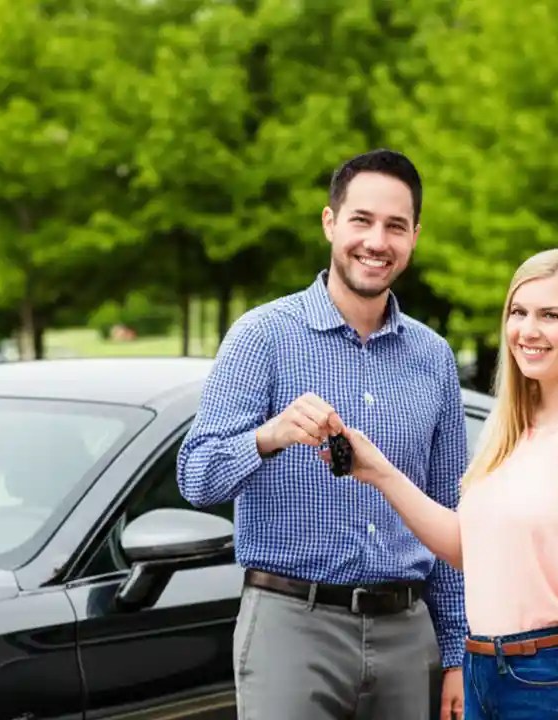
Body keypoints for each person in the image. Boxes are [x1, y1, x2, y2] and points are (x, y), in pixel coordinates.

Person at [176, 149, 469, 720]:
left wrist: (456, 652)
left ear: (414, 237)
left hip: (407, 637)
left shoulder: (434, 359)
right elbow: (195, 476)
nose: (376, 241)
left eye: (395, 226)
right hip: (292, 627)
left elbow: (449, 514)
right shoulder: (261, 337)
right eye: (361, 220)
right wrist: (269, 436)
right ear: (330, 223)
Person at [325, 247, 558, 720]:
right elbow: (468, 548)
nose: (528, 330)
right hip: (485, 673)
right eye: (518, 312)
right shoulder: (508, 433)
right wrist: (377, 471)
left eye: (551, 315)